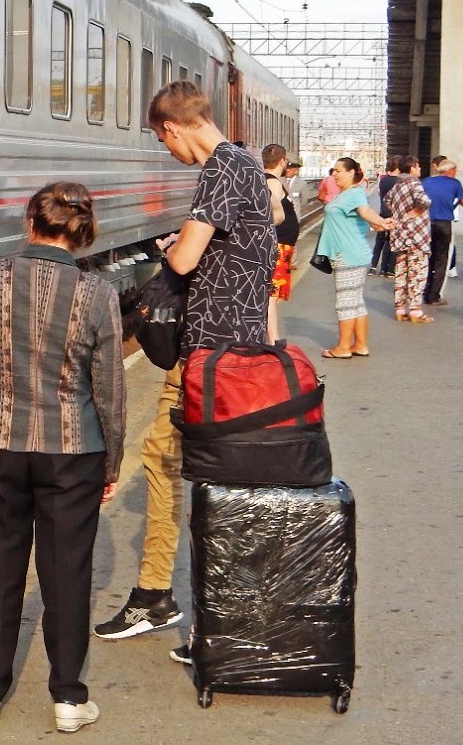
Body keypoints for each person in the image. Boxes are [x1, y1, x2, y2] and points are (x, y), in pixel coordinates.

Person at [94, 82, 276, 656]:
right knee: (198, 469)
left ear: (172, 128)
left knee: (174, 467)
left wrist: (178, 247)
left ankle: (189, 608)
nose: (165, 149)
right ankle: (195, 604)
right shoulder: (245, 165)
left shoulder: (223, 167)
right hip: (235, 348)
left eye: (160, 139)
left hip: (211, 356)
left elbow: (184, 258)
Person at [0, 182, 124, 733]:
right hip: (73, 453)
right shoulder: (97, 292)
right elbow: (110, 389)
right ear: (84, 230)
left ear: (30, 222)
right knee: (67, 571)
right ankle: (69, 698)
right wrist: (111, 464)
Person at [315, 158, 394, 359]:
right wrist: (379, 223)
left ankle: (343, 347)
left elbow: (365, 211)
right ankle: (360, 345)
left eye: (338, 170)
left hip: (347, 254)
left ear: (351, 173)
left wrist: (381, 222)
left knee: (345, 302)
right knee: (356, 301)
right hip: (352, 253)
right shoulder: (349, 194)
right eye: (333, 170)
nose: (334, 174)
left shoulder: (353, 194)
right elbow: (363, 215)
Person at [387, 156, 433, 323]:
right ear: (412, 168)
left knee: (401, 272)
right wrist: (414, 213)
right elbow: (425, 201)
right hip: (416, 236)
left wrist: (399, 214)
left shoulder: (398, 185)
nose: (419, 169)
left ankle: (399, 309)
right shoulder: (414, 184)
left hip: (400, 236)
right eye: (418, 166)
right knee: (417, 273)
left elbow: (387, 200)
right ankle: (415, 311)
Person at [422, 159, 463, 306]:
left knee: (428, 257)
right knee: (442, 259)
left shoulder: (427, 182)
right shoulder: (454, 183)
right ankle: (434, 296)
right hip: (444, 223)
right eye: (454, 171)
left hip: (427, 223)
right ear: (450, 171)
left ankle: (425, 290)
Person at [263, 143, 298, 345]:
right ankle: (273, 340)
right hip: (277, 247)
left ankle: (272, 338)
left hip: (280, 246)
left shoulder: (268, 180)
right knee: (271, 297)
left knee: (271, 296)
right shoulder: (273, 183)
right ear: (283, 161)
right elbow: (272, 213)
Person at [369, 157, 401, 277]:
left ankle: (373, 266)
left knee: (379, 241)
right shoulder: (399, 181)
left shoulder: (383, 180)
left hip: (383, 213)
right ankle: (386, 269)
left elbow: (380, 194)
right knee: (391, 242)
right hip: (394, 214)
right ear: (398, 167)